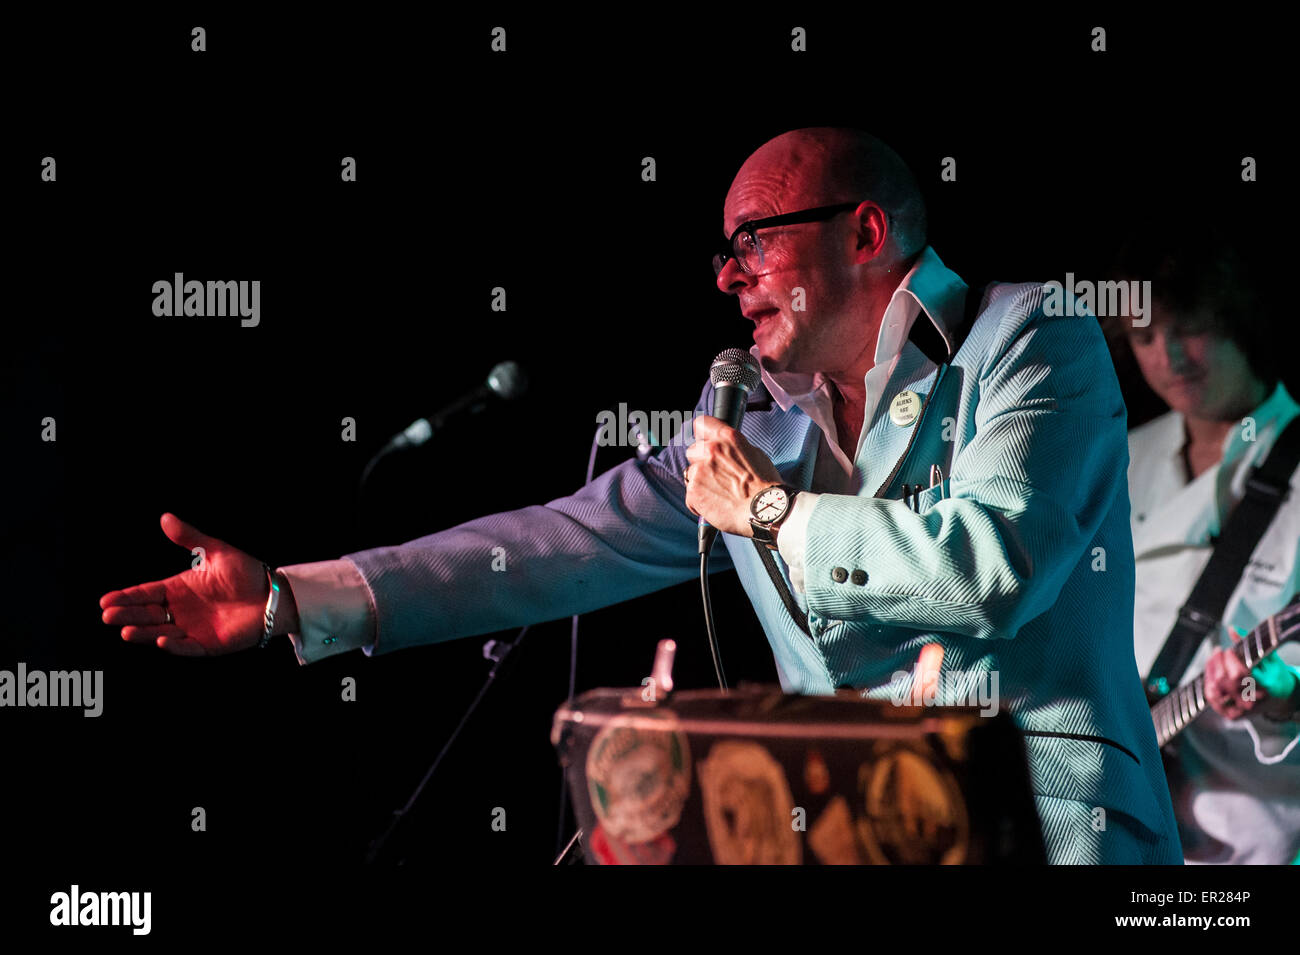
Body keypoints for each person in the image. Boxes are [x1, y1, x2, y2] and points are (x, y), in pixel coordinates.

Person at [100, 127, 1182, 864]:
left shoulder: (1030, 337)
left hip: (1049, 840)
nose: (726, 274)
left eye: (753, 240)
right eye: (722, 251)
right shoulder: (755, 421)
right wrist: (293, 597)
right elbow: (547, 544)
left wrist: (771, 514)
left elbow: (991, 570)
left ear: (864, 233)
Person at [1112, 226, 1300, 864]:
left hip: (1256, 828)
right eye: (1143, 338)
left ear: (1237, 318)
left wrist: (1280, 695)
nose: (1170, 359)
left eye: (1189, 328)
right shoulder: (1123, 458)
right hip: (1127, 819)